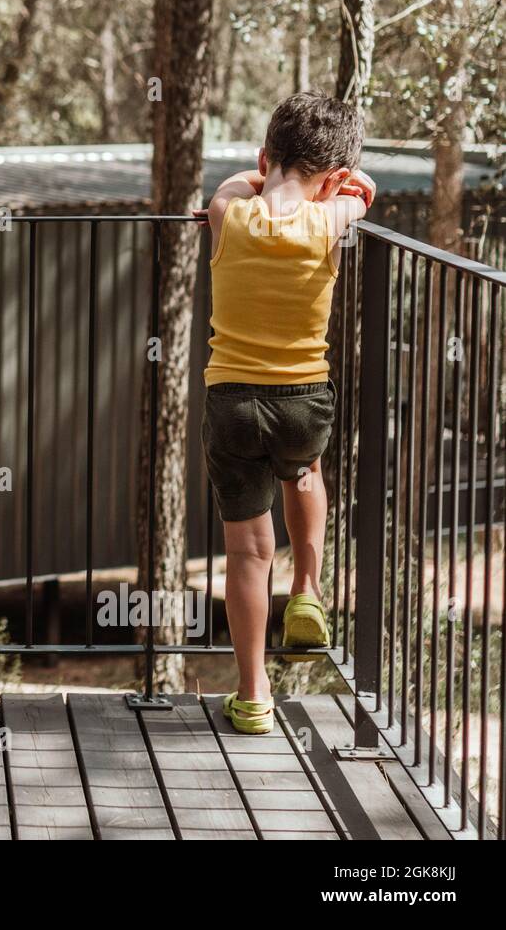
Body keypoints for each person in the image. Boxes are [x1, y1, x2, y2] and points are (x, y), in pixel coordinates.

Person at [201, 92, 376, 734]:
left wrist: (267, 177)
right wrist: (332, 189)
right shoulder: (332, 219)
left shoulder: (228, 211)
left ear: (263, 155)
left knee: (246, 550)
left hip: (232, 403)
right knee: (305, 471)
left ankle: (253, 697)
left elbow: (236, 183)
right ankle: (306, 586)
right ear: (330, 178)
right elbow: (366, 187)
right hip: (305, 400)